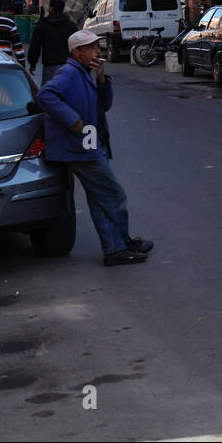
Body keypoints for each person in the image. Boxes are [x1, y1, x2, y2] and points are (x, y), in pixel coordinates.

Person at [36, 30, 152, 267]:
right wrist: (72, 120)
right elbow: (45, 95)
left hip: (90, 143)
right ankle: (116, 247)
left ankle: (118, 243)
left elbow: (104, 106)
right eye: (91, 47)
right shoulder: (69, 73)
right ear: (76, 52)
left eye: (97, 46)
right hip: (80, 147)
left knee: (101, 197)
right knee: (112, 194)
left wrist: (102, 79)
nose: (97, 51)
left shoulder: (85, 72)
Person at [27, 0, 76, 84]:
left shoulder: (43, 25)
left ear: (51, 8)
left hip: (50, 67)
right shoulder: (71, 25)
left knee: (49, 94)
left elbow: (35, 46)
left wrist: (32, 63)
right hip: (68, 67)